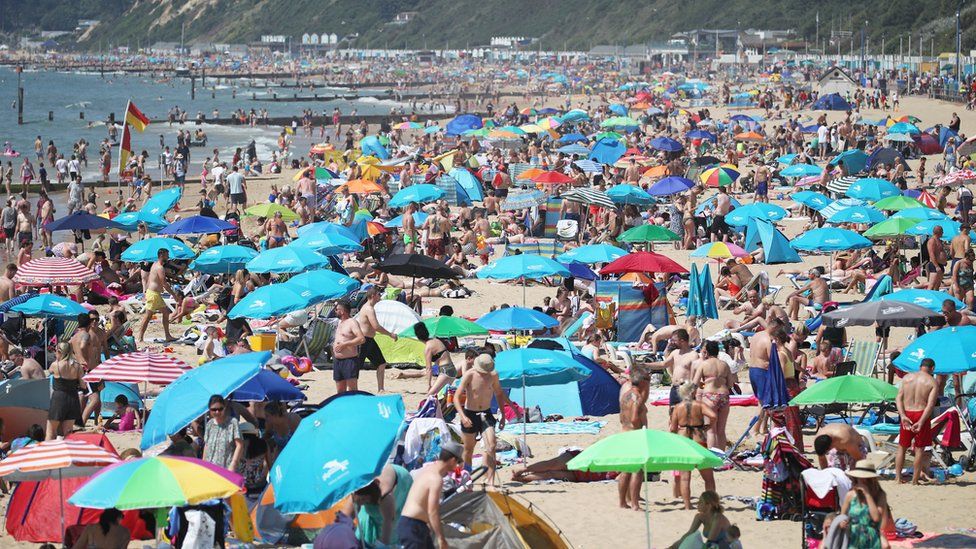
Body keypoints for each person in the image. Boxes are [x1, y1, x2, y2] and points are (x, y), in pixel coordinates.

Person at [454, 353, 509, 486]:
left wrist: (503, 415)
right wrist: (463, 416)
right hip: (470, 413)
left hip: (486, 413)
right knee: (468, 449)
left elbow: (499, 393)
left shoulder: (493, 375)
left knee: (492, 445)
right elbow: (456, 397)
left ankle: (490, 482)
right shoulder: (470, 374)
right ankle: (467, 478)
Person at [396, 441, 463, 549]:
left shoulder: (428, 470)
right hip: (412, 527)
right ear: (452, 460)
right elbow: (433, 511)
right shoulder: (436, 479)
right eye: (458, 462)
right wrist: (441, 538)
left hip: (415, 525)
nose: (457, 466)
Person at [670, 381, 717, 510]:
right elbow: (713, 416)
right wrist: (708, 426)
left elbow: (673, 428)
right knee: (708, 478)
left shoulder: (677, 407)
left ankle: (687, 505)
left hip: (684, 441)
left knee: (685, 478)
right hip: (698, 440)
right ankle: (711, 504)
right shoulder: (699, 405)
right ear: (692, 392)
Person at [344, 463, 414, 547]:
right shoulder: (357, 491)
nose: (360, 503)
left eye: (363, 500)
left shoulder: (385, 496)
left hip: (401, 485)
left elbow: (388, 526)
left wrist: (381, 545)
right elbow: (344, 518)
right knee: (360, 522)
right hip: (372, 489)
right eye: (359, 500)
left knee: (391, 536)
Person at [894, 357, 939, 484]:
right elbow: (930, 405)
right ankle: (914, 480)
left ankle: (898, 478)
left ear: (920, 366)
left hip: (907, 413)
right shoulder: (932, 382)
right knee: (919, 449)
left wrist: (902, 415)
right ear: (932, 368)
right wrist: (921, 421)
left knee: (902, 448)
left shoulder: (907, 378)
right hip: (921, 413)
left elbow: (898, 398)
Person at [692, 340, 735, 449]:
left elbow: (695, 383)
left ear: (706, 352)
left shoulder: (704, 364)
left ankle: (713, 456)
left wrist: (703, 385)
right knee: (721, 431)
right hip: (724, 396)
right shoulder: (724, 365)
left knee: (711, 431)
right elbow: (730, 384)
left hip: (709, 396)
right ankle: (722, 456)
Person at [617, 367, 650, 511]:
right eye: (647, 380)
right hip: (634, 435)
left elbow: (621, 417)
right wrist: (641, 430)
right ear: (642, 382)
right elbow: (635, 418)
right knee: (638, 470)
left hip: (624, 433)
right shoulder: (637, 397)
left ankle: (622, 502)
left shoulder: (625, 395)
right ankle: (635, 504)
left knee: (625, 470)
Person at [355, 286, 398, 392]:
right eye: (379, 294)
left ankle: (381, 389)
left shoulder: (370, 308)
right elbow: (376, 326)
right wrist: (390, 334)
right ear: (373, 295)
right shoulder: (368, 309)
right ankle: (352, 389)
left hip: (370, 340)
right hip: (363, 341)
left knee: (381, 364)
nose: (380, 296)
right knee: (356, 367)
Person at [840, 460, 890, 549]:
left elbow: (876, 518)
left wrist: (867, 495)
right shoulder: (850, 495)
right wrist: (843, 523)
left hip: (871, 535)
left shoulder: (880, 494)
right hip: (853, 534)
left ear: (872, 479)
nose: (862, 481)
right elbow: (842, 516)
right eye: (860, 478)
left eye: (866, 478)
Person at [668, 491, 733, 549]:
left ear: (709, 505)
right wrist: (672, 547)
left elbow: (710, 542)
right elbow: (689, 534)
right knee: (691, 539)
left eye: (700, 502)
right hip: (713, 546)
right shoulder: (700, 517)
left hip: (727, 546)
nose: (697, 504)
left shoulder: (718, 519)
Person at [46, 342, 83, 440]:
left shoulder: (55, 365)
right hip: (73, 398)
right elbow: (83, 385)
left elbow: (48, 372)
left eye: (56, 351)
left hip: (58, 398)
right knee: (68, 434)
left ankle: (48, 450)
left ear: (59, 351)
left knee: (50, 433)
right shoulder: (78, 366)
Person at [136, 248, 174, 343]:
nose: (168, 257)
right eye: (167, 255)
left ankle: (168, 335)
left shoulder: (154, 264)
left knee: (166, 312)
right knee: (148, 316)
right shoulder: (160, 268)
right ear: (161, 255)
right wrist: (174, 295)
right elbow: (164, 284)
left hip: (154, 294)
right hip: (153, 295)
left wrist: (146, 292)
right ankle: (140, 337)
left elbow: (150, 278)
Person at [414, 322, 458, 398]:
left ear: (418, 337)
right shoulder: (436, 340)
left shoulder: (428, 348)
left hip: (445, 371)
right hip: (452, 369)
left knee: (430, 395)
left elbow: (429, 369)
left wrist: (429, 384)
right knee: (441, 396)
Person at [202, 394, 243, 472]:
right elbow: (206, 445)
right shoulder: (209, 424)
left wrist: (233, 463)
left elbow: (239, 445)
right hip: (210, 469)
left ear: (224, 408)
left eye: (220, 409)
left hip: (227, 469)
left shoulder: (233, 423)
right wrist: (203, 464)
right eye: (214, 409)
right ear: (209, 410)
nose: (217, 412)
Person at [332, 300, 365, 393]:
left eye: (337, 309)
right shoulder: (340, 323)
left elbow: (361, 339)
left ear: (342, 311)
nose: (335, 311)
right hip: (338, 361)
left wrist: (345, 344)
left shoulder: (352, 322)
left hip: (349, 360)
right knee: (340, 390)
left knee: (352, 390)